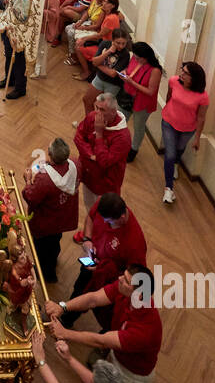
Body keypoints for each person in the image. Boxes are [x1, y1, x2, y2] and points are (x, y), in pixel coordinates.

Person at [62, 192, 147, 329]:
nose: (104, 223)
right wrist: (87, 239)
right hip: (91, 262)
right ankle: (66, 316)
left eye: (108, 221)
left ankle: (69, 321)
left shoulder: (135, 243)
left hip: (108, 280)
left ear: (122, 217)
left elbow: (136, 276)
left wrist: (104, 269)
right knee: (79, 289)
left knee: (101, 309)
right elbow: (90, 217)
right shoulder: (104, 203)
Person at [22, 138, 79, 284]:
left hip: (45, 222)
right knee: (55, 242)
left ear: (51, 156)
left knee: (40, 248)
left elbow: (31, 197)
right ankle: (52, 261)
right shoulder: (74, 165)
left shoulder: (45, 180)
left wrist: (28, 180)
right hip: (62, 217)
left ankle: (44, 272)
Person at [159, 61, 209, 205]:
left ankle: (175, 164)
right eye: (183, 70)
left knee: (179, 149)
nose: (182, 73)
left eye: (186, 73)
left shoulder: (203, 96)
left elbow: (201, 118)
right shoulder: (173, 81)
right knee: (169, 153)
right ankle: (169, 189)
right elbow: (169, 97)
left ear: (194, 77)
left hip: (188, 128)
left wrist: (197, 138)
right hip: (168, 122)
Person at [74, 92, 131, 214]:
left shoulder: (123, 137)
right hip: (88, 176)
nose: (97, 113)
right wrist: (90, 154)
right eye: (96, 108)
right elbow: (78, 136)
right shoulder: (92, 117)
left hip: (105, 185)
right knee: (89, 209)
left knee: (103, 216)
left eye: (102, 110)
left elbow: (104, 162)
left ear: (113, 111)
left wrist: (99, 134)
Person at [118, 42, 163, 162]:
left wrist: (132, 82)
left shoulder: (155, 70)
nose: (135, 59)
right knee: (120, 120)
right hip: (127, 96)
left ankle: (134, 149)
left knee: (138, 126)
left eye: (138, 58)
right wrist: (124, 72)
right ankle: (117, 142)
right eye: (135, 57)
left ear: (146, 57)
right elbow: (129, 70)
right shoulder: (135, 58)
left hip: (142, 103)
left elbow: (150, 92)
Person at [84, 26, 131, 114]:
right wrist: (108, 52)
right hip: (100, 78)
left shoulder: (125, 54)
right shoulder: (105, 44)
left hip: (113, 85)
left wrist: (98, 64)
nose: (121, 46)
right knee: (87, 100)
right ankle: (89, 124)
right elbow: (95, 61)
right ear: (112, 40)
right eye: (118, 43)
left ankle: (100, 126)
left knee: (104, 110)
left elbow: (112, 73)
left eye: (123, 43)